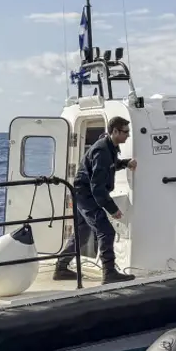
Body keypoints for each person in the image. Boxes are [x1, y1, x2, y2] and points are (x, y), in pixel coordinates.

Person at [54, 116, 136, 284]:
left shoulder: (109, 147)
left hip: (82, 194)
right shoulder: (102, 151)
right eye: (125, 132)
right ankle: (109, 273)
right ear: (115, 132)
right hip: (86, 195)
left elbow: (110, 165)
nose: (128, 135)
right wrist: (113, 209)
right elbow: (97, 187)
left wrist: (125, 163)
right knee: (106, 231)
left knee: (82, 233)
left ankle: (61, 268)